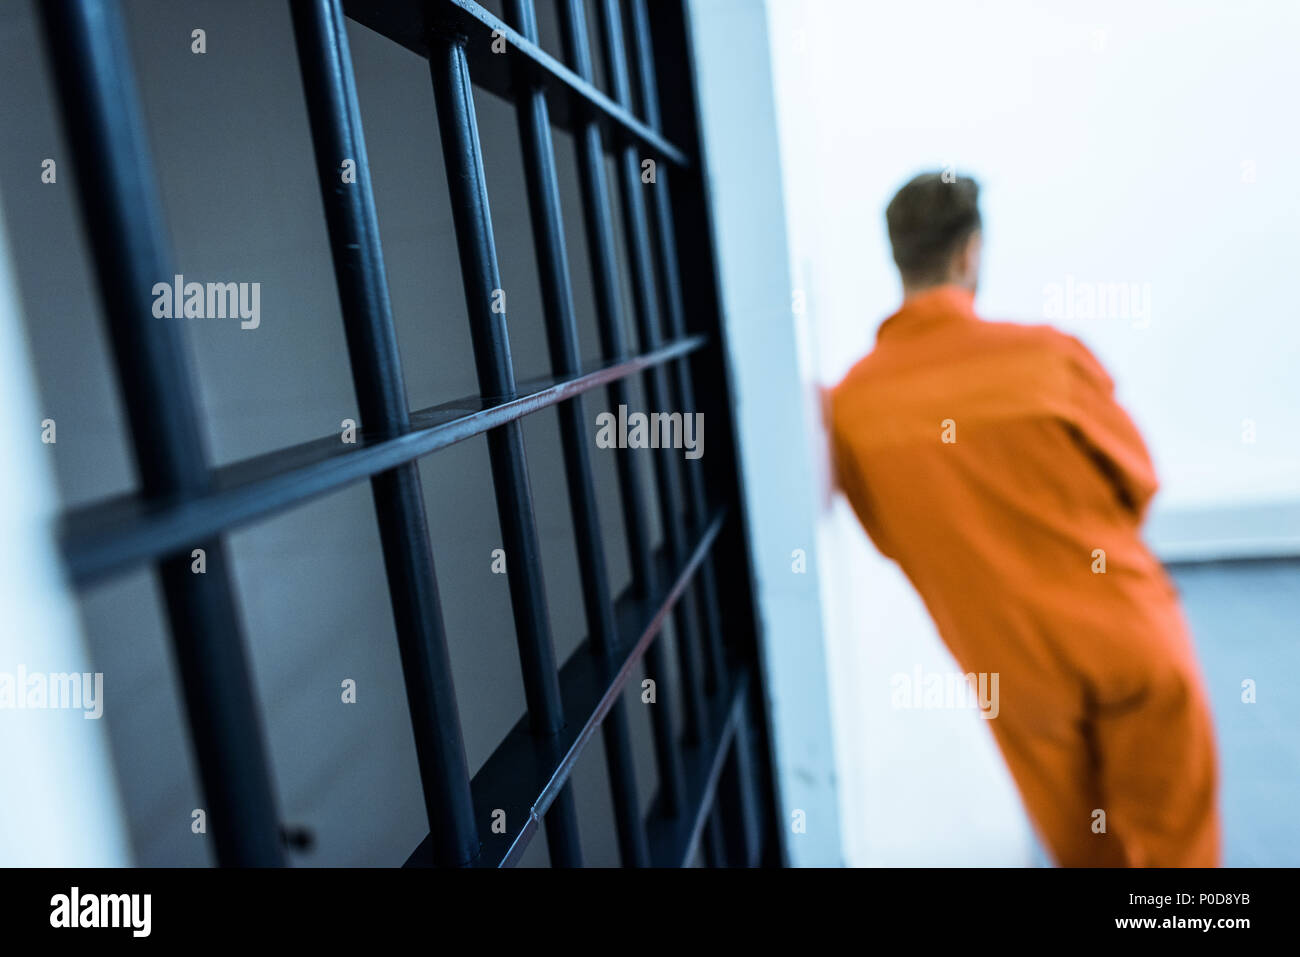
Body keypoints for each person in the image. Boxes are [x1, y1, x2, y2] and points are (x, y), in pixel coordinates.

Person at [827, 172, 1220, 866]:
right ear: (969, 252)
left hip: (1013, 671)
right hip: (1130, 637)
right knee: (1177, 868)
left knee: (1088, 852)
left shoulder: (853, 406)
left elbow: (893, 539)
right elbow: (1139, 482)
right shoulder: (1047, 355)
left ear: (898, 255)